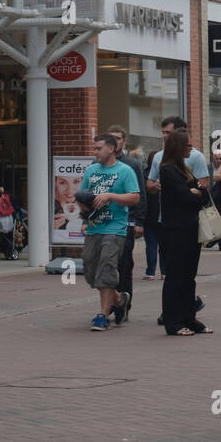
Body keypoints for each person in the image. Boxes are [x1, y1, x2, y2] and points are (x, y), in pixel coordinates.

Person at [77, 134, 140, 331]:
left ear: (111, 149)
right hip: (94, 227)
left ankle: (102, 315)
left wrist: (110, 196)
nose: (95, 152)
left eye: (98, 148)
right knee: (90, 267)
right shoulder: (91, 171)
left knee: (106, 267)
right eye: (94, 149)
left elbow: (135, 197)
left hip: (115, 228)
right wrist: (84, 214)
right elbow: (82, 196)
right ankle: (119, 298)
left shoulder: (125, 171)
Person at [158, 129, 211, 336]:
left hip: (191, 230)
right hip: (175, 232)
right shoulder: (168, 169)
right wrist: (194, 193)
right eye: (188, 145)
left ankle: (189, 318)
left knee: (189, 277)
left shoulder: (185, 169)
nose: (191, 148)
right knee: (175, 277)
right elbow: (185, 198)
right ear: (179, 147)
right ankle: (173, 322)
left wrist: (197, 192)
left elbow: (205, 194)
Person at [108, 125, 147, 305]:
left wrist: (139, 221)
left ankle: (124, 302)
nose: (115, 141)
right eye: (111, 137)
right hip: (105, 222)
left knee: (124, 264)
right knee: (106, 266)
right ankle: (111, 301)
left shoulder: (132, 163)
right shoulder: (98, 163)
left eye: (118, 138)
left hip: (127, 222)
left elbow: (141, 194)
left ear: (124, 141)